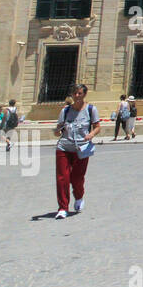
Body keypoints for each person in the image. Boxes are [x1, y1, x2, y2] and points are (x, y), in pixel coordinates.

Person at [54, 83, 100, 219]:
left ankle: (79, 197)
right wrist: (57, 131)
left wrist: (91, 135)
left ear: (84, 94)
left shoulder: (91, 109)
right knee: (62, 178)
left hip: (81, 148)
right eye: (75, 93)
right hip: (64, 147)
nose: (77, 96)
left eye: (80, 93)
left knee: (77, 179)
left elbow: (97, 127)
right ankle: (63, 207)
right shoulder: (65, 111)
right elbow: (58, 130)